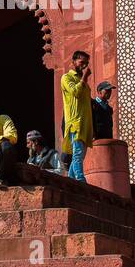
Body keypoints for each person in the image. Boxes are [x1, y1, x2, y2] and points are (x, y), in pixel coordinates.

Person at [60, 51, 94, 182]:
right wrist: (84, 77)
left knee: (80, 156)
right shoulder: (66, 78)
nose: (84, 66)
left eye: (86, 63)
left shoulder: (81, 81)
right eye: (82, 62)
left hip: (85, 124)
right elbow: (75, 92)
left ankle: (70, 180)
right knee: (77, 154)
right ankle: (80, 180)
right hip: (76, 123)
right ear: (73, 61)